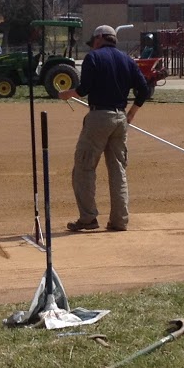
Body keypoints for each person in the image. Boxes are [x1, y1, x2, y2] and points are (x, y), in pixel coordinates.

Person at [59, 25, 150, 232]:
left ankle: (88, 218)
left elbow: (84, 89)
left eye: (94, 41)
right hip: (120, 118)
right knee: (118, 171)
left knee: (84, 168)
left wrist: (68, 94)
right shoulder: (127, 60)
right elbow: (143, 89)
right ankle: (119, 221)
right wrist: (131, 113)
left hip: (99, 116)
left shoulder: (93, 58)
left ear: (99, 38)